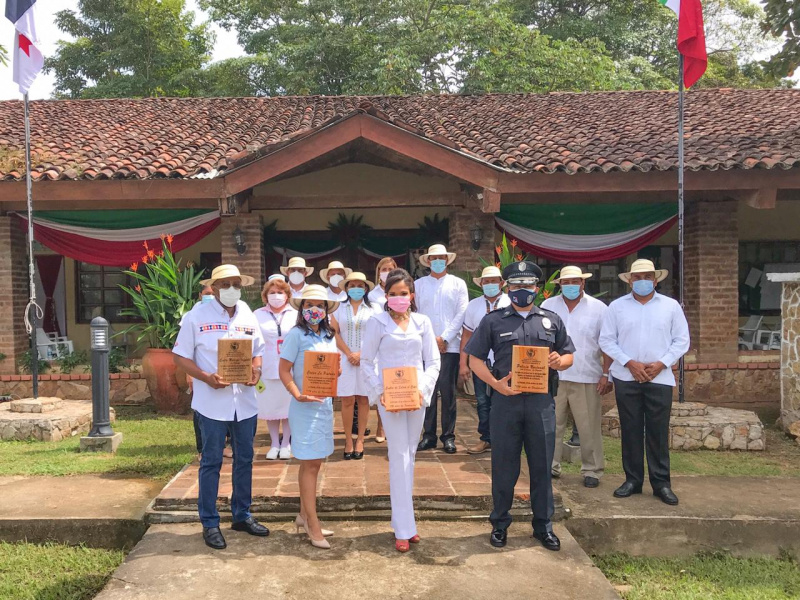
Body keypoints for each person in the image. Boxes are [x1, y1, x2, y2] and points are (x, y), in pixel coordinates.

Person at [465, 260, 575, 552]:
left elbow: (568, 355)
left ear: (537, 288)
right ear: (507, 288)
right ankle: (500, 524)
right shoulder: (493, 320)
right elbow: (474, 359)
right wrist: (495, 384)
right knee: (504, 468)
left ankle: (543, 527)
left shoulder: (551, 320)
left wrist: (558, 361)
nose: (521, 290)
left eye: (527, 285)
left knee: (541, 467)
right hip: (506, 403)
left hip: (541, 405)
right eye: (516, 285)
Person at [172, 265, 270, 550]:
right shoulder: (196, 317)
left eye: (236, 284)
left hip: (245, 403)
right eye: (225, 284)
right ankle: (210, 522)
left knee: (245, 459)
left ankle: (242, 515)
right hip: (211, 403)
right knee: (211, 461)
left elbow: (258, 352)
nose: (231, 289)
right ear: (213, 288)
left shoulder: (247, 314)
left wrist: (256, 371)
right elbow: (180, 356)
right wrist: (205, 378)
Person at [361, 269, 441, 553]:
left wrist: (424, 388)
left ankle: (406, 523)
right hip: (390, 399)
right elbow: (366, 360)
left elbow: (433, 360)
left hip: (416, 396)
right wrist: (379, 391)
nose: (398, 298)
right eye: (392, 294)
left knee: (411, 454)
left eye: (403, 294)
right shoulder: (377, 322)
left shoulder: (422, 321)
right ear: (386, 296)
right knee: (398, 456)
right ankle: (403, 528)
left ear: (412, 295)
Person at [599, 259, 690, 506]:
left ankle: (661, 484)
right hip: (627, 377)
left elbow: (682, 341)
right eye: (637, 277)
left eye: (647, 276)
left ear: (656, 279)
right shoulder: (616, 308)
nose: (642, 281)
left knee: (658, 432)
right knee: (630, 430)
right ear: (629, 280)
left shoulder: (670, 307)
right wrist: (630, 363)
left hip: (659, 377)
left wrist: (662, 363)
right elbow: (607, 341)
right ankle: (633, 480)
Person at [278, 285, 340, 549]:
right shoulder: (295, 335)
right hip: (303, 407)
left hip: (324, 405)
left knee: (313, 462)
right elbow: (284, 371)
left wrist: (334, 375)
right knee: (310, 463)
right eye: (309, 305)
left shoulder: (328, 335)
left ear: (326, 310)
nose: (314, 310)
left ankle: (303, 515)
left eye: (320, 305)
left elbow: (332, 366)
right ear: (302, 309)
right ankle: (313, 525)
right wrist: (297, 393)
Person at [542, 266, 613, 488]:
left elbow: (607, 344)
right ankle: (549, 466)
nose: (571, 286)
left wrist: (606, 374)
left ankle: (592, 470)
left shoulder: (599, 308)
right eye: (566, 282)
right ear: (559, 284)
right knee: (551, 425)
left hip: (587, 375)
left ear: (583, 283)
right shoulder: (547, 306)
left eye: (575, 282)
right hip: (553, 376)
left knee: (588, 427)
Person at [415, 244, 468, 454]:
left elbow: (462, 312)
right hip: (424, 347)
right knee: (427, 391)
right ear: (428, 261)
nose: (437, 261)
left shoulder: (458, 284)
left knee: (448, 392)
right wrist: (431, 340)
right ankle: (428, 436)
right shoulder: (418, 285)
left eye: (441, 257)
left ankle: (448, 436)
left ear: (447, 260)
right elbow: (416, 313)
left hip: (450, 347)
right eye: (433, 258)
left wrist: (445, 338)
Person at [460, 266, 510, 455]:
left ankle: (503, 440)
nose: (490, 284)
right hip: (480, 362)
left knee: (503, 400)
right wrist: (463, 363)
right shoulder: (473, 305)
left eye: (494, 281)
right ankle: (485, 439)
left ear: (502, 283)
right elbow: (466, 336)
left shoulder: (510, 302)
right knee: (482, 401)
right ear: (481, 283)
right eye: (486, 281)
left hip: (504, 362)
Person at [331, 272, 378, 460]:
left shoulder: (374, 309)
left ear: (365, 288)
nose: (356, 288)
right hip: (345, 358)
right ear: (346, 288)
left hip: (367, 358)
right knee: (347, 400)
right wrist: (349, 353)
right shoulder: (338, 309)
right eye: (352, 285)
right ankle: (348, 439)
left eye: (360, 285)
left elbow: (376, 334)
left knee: (364, 399)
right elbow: (334, 332)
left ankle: (360, 439)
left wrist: (362, 353)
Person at [254, 274, 297, 460]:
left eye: (280, 292)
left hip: (289, 366)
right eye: (272, 292)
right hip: (267, 366)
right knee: (270, 408)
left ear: (287, 294)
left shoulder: (296, 314)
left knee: (288, 407)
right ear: (265, 295)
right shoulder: (257, 314)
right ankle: (274, 442)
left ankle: (286, 442)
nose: (276, 295)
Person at [366, 257, 398, 443]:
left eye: (390, 268)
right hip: (377, 340)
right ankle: (381, 424)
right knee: (380, 383)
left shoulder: (400, 290)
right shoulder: (372, 295)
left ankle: (392, 423)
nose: (386, 271)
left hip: (396, 339)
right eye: (383, 269)